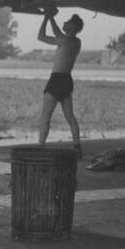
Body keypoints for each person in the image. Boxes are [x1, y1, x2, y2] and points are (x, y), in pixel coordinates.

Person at [37, 10, 83, 151]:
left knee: (46, 115)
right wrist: (50, 18)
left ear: (72, 27)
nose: (65, 22)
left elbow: (41, 36)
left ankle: (41, 147)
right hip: (67, 80)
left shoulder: (64, 40)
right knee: (70, 117)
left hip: (56, 79)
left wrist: (46, 18)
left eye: (68, 22)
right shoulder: (76, 42)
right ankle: (77, 147)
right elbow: (59, 33)